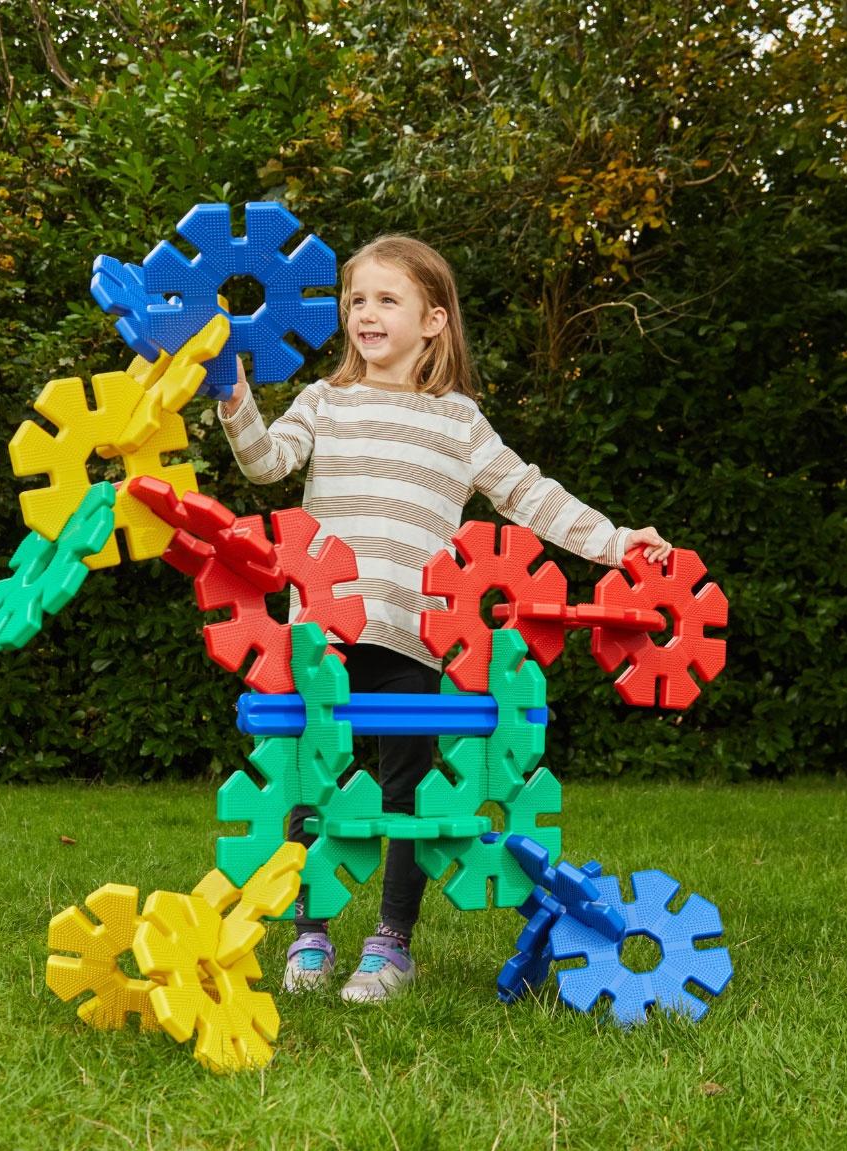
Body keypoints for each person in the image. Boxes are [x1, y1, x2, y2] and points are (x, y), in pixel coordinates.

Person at [216, 235, 670, 1003]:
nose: (366, 313)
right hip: (319, 634)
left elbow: (528, 494)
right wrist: (234, 397)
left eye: (386, 300)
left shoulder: (457, 422)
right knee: (308, 781)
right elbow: (266, 464)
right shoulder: (325, 401)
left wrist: (617, 543)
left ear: (433, 320)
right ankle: (310, 934)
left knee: (407, 792)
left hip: (415, 635)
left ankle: (391, 945)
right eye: (356, 300)